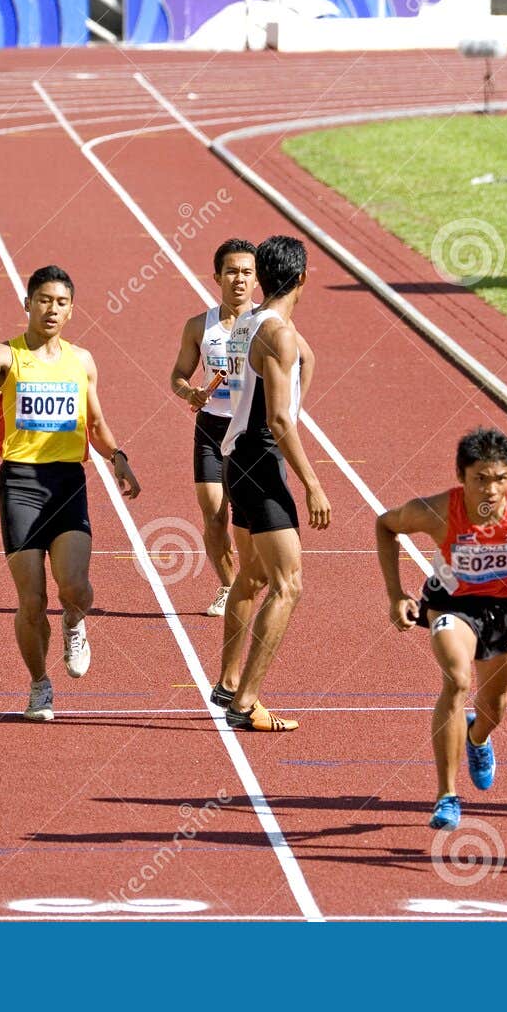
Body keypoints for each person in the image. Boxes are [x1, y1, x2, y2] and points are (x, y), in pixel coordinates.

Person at [0, 266, 141, 721]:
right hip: (20, 485)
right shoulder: (6, 355)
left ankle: (74, 621)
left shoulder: (81, 361)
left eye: (61, 302)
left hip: (68, 484)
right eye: (44, 300)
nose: (52, 309)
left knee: (75, 587)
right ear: (27, 303)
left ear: (71, 309)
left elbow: (97, 424)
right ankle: (39, 685)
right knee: (31, 600)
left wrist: (118, 457)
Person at [377, 428, 507, 831]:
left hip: (505, 609)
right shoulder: (438, 510)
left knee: (494, 707)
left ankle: (478, 739)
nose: (491, 489)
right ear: (462, 476)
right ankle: (446, 795)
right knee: (458, 681)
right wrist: (397, 595)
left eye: (500, 478)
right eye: (481, 478)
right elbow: (385, 525)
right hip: (451, 606)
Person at [214, 236, 330, 732]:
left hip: (237, 457)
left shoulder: (250, 322)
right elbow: (281, 419)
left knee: (254, 577)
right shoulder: (278, 334)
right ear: (303, 278)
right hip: (261, 461)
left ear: (260, 277)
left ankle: (227, 681)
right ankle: (246, 701)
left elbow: (291, 364)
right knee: (288, 585)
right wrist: (312, 483)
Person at [168, 238, 257, 619]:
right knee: (214, 515)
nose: (239, 280)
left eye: (247, 273)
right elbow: (177, 375)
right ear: (217, 276)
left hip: (251, 431)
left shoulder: (267, 325)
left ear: (256, 280)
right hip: (211, 429)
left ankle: (253, 579)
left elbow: (303, 362)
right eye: (233, 272)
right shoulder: (198, 326)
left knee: (249, 517)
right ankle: (228, 585)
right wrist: (191, 392)